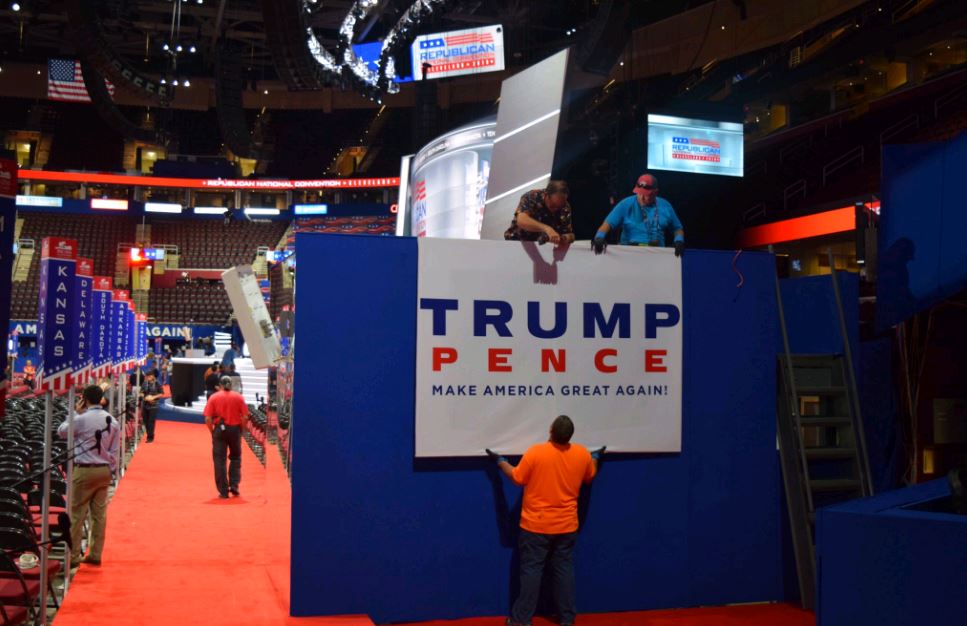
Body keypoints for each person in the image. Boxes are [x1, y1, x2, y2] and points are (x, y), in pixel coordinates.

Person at [487, 416, 604, 626]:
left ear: (550, 431)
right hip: (567, 526)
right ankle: (567, 619)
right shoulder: (582, 454)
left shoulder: (536, 452)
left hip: (536, 526)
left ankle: (521, 621)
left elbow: (516, 478)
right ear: (570, 435)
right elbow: (590, 475)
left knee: (532, 572)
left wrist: (500, 462)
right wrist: (595, 457)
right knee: (564, 571)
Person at [57, 384, 119, 567]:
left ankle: (74, 556)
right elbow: (114, 451)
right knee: (99, 515)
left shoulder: (81, 419)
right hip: (104, 471)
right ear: (101, 399)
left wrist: (75, 413)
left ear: (84, 399)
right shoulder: (112, 421)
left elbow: (61, 431)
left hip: (84, 469)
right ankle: (96, 554)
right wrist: (110, 471)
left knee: (77, 515)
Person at [592, 173, 685, 256]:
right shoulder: (626, 204)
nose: (641, 197)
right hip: (629, 253)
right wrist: (599, 237)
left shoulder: (665, 206)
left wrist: (679, 241)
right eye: (639, 193)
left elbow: (677, 228)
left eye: (646, 194)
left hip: (657, 254)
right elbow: (606, 225)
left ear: (655, 192)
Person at [203, 376, 249, 498]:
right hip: (235, 430)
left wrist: (212, 431)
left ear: (220, 385)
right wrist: (241, 429)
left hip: (219, 430)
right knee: (235, 457)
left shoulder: (214, 397)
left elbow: (207, 418)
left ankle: (223, 491)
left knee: (219, 460)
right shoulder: (239, 397)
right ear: (231, 384)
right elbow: (245, 416)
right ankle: (234, 485)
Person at [503, 180, 576, 245]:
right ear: (546, 195)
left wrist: (563, 238)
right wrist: (547, 229)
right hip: (517, 242)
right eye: (553, 205)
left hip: (542, 246)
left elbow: (570, 234)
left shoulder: (565, 207)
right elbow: (521, 220)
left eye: (560, 206)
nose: (556, 209)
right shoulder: (532, 196)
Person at [140, 370, 164, 443]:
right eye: (148, 376)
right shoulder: (145, 383)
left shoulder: (157, 383)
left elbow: (161, 393)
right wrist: (145, 397)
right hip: (145, 404)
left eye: (150, 376)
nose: (149, 378)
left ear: (153, 376)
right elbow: (141, 392)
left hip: (154, 405)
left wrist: (153, 397)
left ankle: (150, 437)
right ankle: (148, 433)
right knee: (145, 421)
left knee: (151, 421)